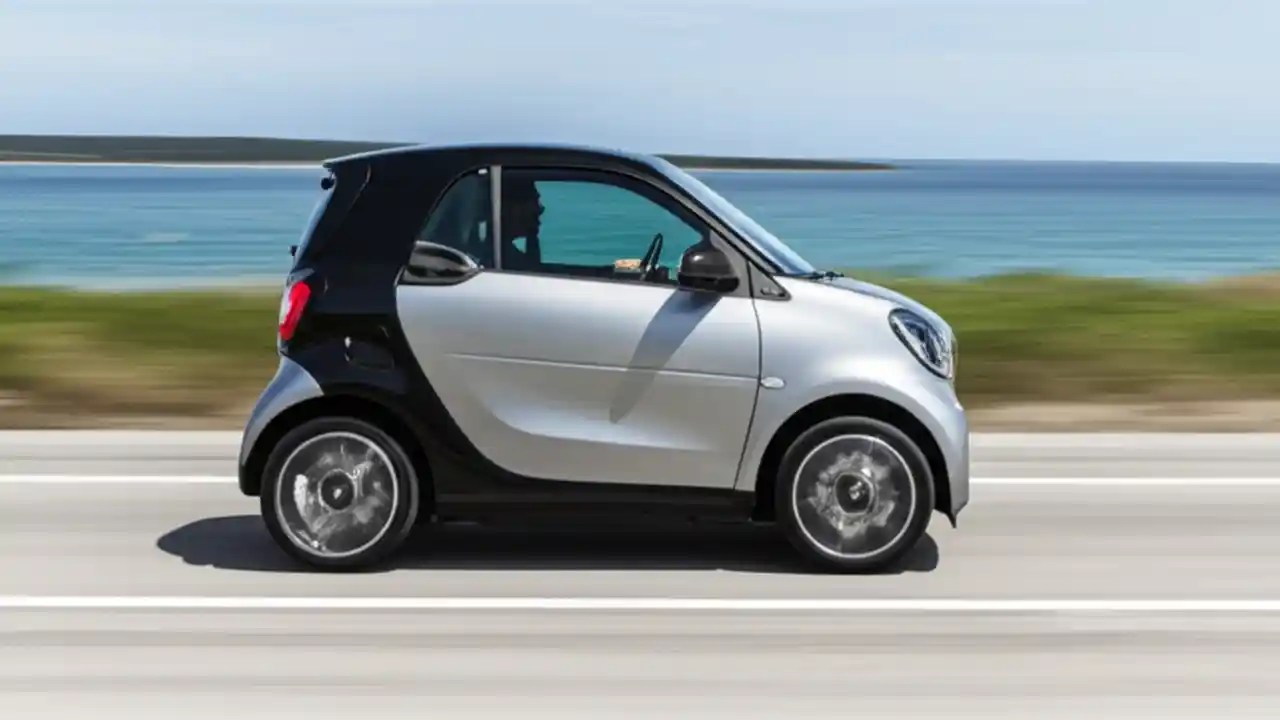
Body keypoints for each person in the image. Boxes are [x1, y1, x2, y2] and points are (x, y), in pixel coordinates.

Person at [500, 176, 543, 271]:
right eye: (534, 200)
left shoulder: (502, 252)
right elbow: (533, 272)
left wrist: (532, 235)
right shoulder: (505, 258)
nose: (540, 208)